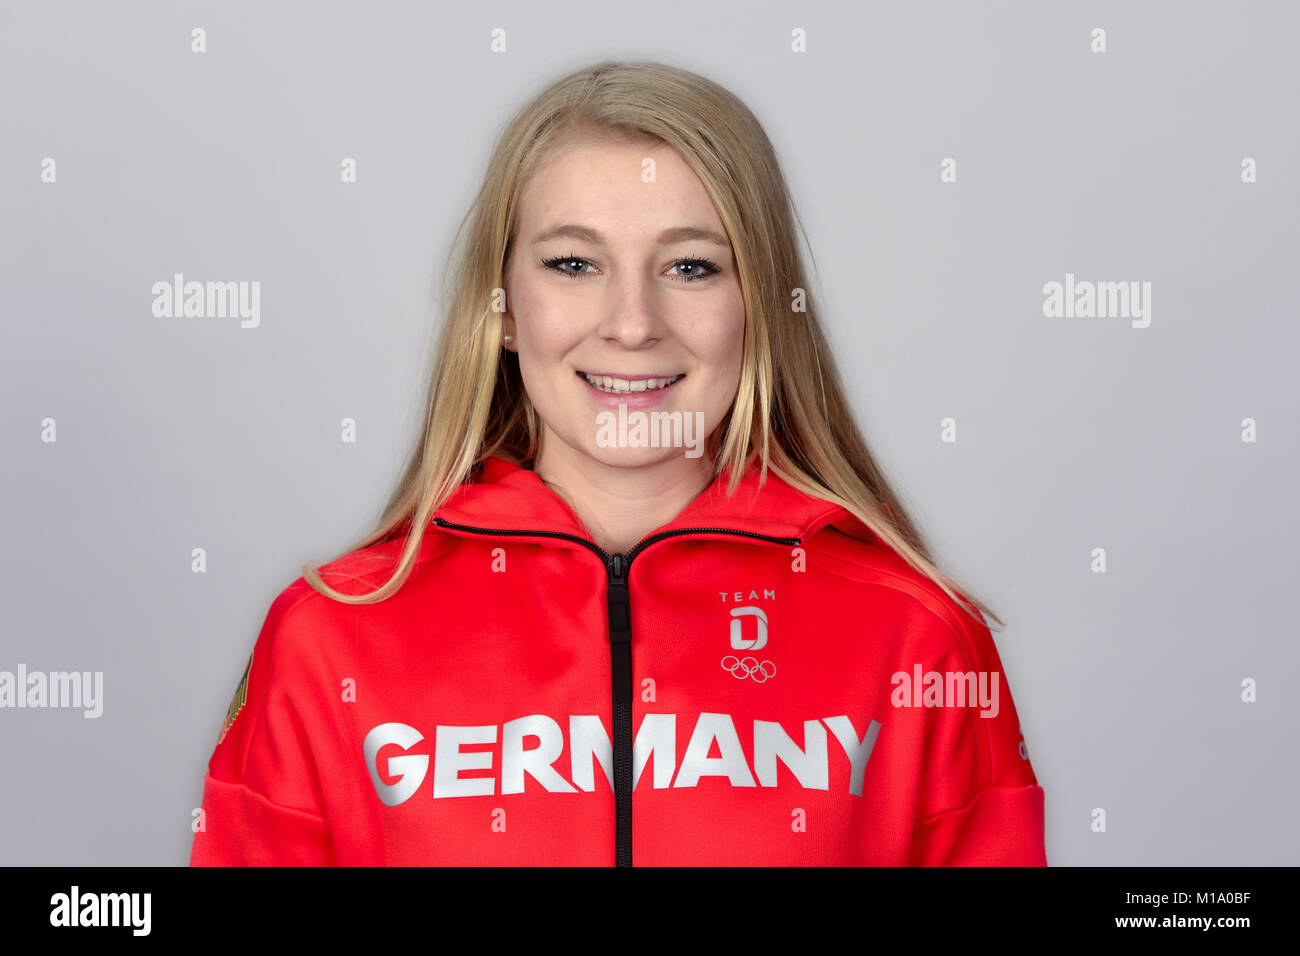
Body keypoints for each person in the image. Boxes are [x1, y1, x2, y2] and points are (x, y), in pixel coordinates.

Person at [189, 59, 1046, 866]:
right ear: (506, 309)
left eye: (691, 266)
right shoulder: (330, 638)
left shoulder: (917, 640)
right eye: (573, 263)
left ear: (761, 311)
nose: (632, 322)